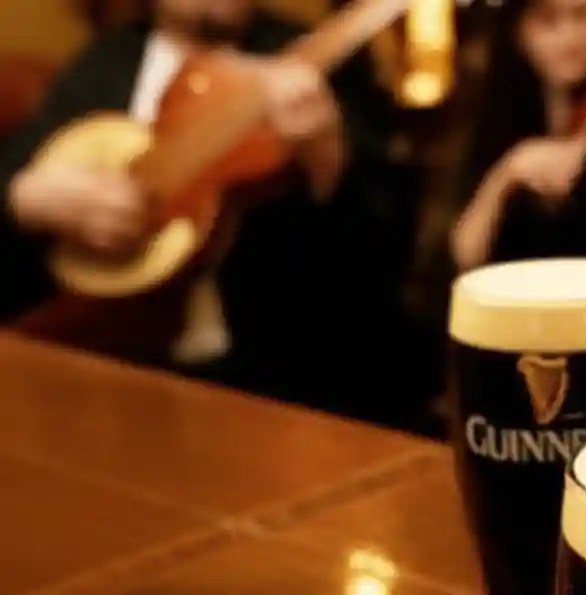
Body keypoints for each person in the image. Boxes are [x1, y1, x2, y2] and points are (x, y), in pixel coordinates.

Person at [0, 0, 404, 419]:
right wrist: (29, 198)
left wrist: (327, 154)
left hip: (267, 389)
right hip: (115, 371)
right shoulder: (108, 60)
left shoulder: (313, 59)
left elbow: (384, 254)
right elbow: (13, 177)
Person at [450, 0, 586, 271]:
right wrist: (507, 173)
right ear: (520, 34)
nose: (570, 38)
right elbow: (465, 254)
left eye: (583, 16)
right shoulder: (496, 111)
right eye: (548, 21)